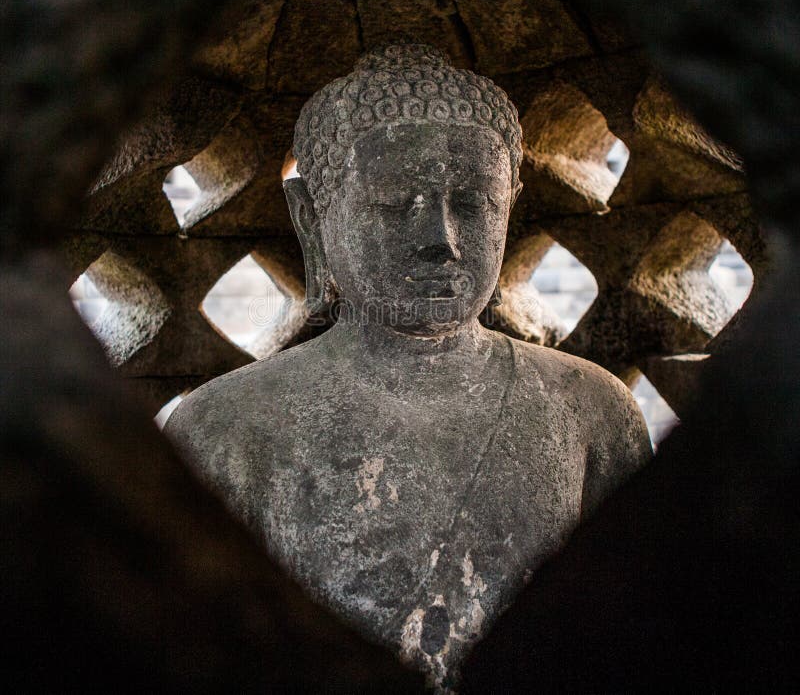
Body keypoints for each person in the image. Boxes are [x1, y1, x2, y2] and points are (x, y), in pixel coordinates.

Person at [165, 43, 651, 688]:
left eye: (475, 205)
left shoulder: (591, 410)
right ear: (311, 217)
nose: (440, 241)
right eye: (394, 205)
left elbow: (641, 641)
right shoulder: (224, 428)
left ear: (512, 208)